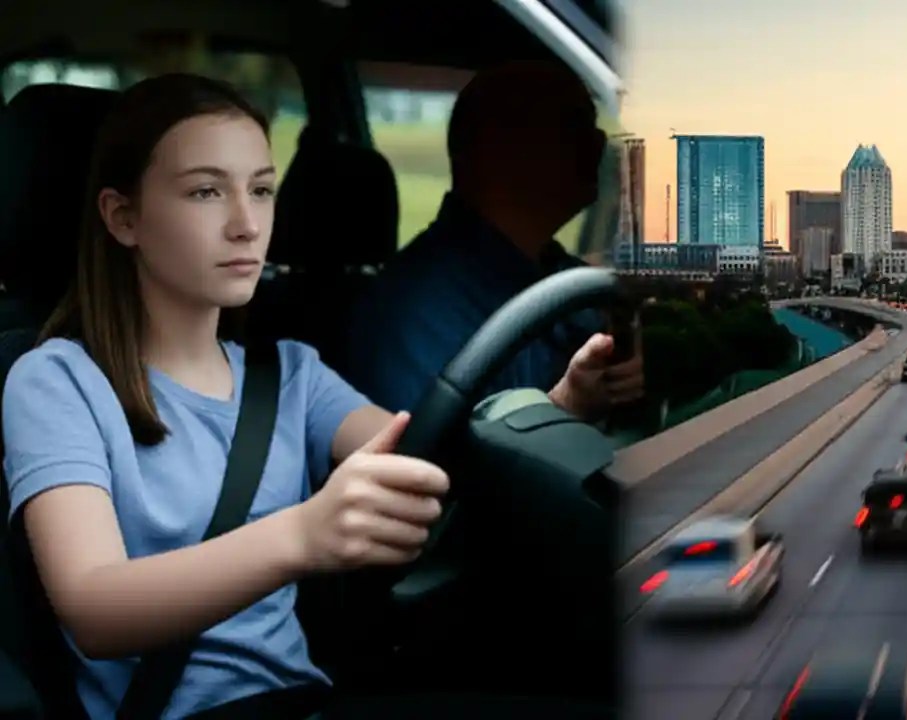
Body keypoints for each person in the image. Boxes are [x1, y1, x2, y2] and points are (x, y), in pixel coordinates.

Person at [1, 74, 472, 719]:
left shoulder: (294, 376)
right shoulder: (56, 381)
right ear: (124, 217)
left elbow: (429, 461)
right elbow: (95, 608)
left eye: (261, 190)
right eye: (205, 192)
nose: (247, 226)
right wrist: (301, 536)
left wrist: (550, 411)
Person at [344, 60, 644, 423]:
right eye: (573, 124)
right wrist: (562, 411)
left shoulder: (562, 276)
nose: (599, 142)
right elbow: (425, 471)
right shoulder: (408, 316)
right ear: (498, 147)